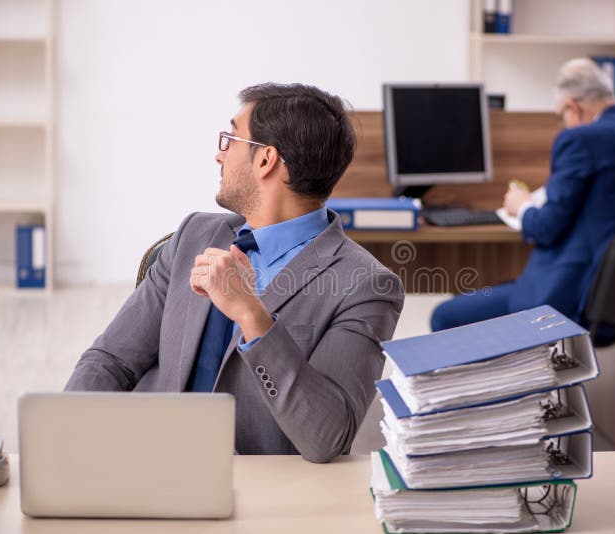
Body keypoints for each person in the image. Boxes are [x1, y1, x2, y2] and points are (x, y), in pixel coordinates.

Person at [65, 83, 405, 463]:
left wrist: (253, 316)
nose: (218, 154)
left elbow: (327, 437)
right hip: (147, 463)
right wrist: (65, 439)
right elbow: (112, 360)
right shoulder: (193, 235)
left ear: (266, 160)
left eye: (230, 139)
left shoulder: (365, 286)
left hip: (259, 494)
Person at [431, 58, 615, 331]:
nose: (562, 125)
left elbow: (544, 229)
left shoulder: (581, 139)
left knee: (445, 316)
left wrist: (523, 207)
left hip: (566, 302)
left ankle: (516, 370)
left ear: (572, 107)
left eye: (559, 117)